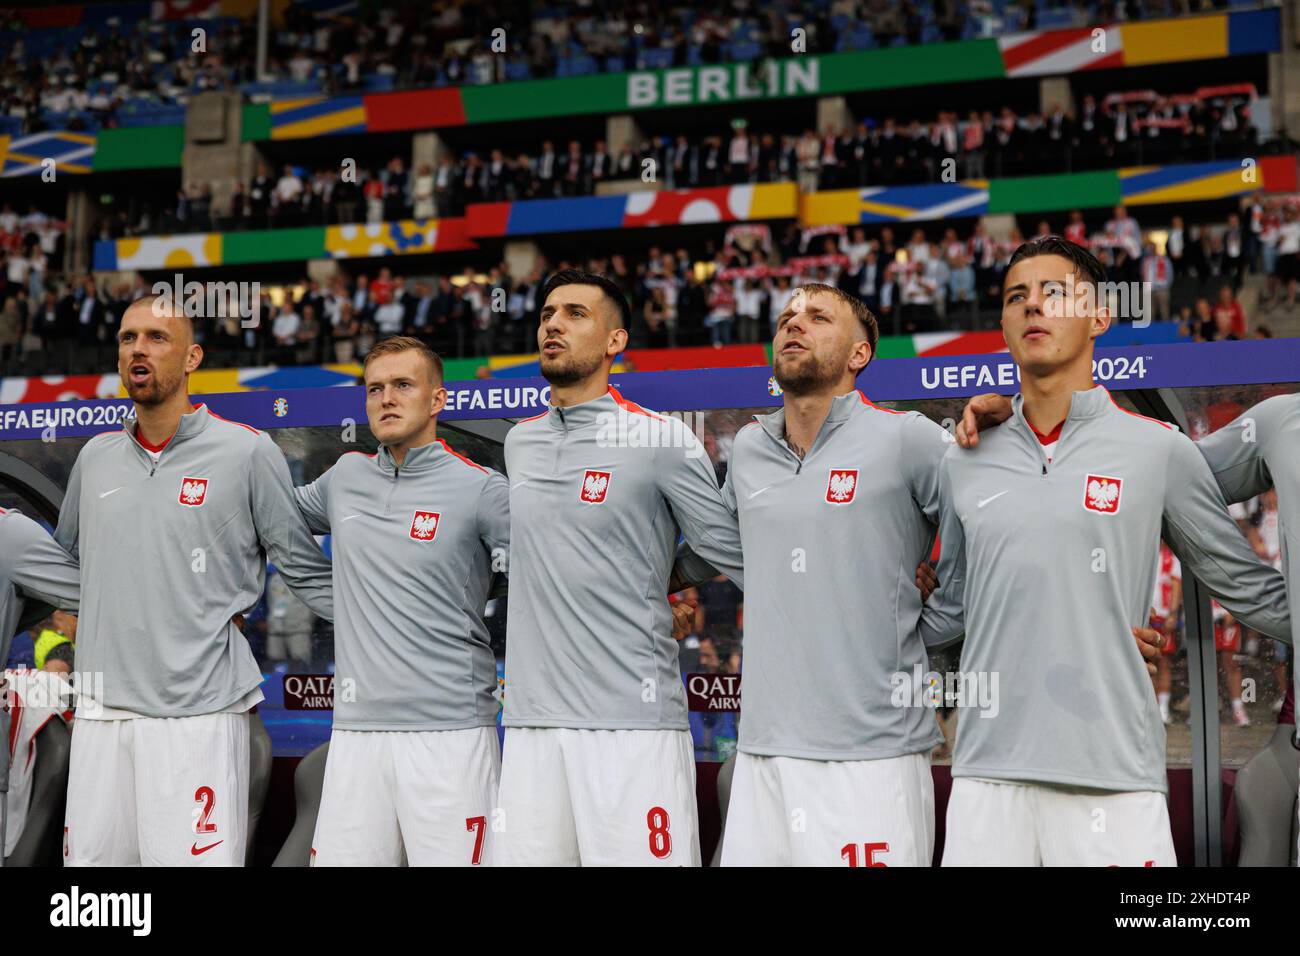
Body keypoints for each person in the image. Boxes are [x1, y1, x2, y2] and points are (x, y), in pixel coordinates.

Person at [921, 236, 1290, 866]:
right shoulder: (965, 455)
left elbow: (1247, 586)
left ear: (1099, 316)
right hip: (985, 780)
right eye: (1017, 297)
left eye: (1054, 293)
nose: (1033, 306)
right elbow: (953, 612)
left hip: (1113, 778)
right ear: (1004, 326)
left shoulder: (1158, 451)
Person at [55, 294, 334, 867]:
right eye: (129, 338)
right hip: (101, 716)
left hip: (198, 719)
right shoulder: (95, 458)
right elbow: (66, 573)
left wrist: (397, 621)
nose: (139, 349)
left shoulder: (248, 452)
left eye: (157, 338)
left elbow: (304, 569)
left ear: (192, 357)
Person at [493, 269, 743, 866]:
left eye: (575, 313)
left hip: (631, 726)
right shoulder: (519, 442)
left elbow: (727, 545)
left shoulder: (660, 439)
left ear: (615, 341)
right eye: (548, 313)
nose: (553, 324)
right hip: (530, 727)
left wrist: (668, 578)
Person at [294, 336, 509, 866]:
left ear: (437, 400)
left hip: (452, 735)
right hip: (355, 734)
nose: (386, 398)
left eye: (403, 386)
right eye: (375, 389)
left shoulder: (482, 489)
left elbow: (549, 571)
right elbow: (263, 522)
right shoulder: (343, 478)